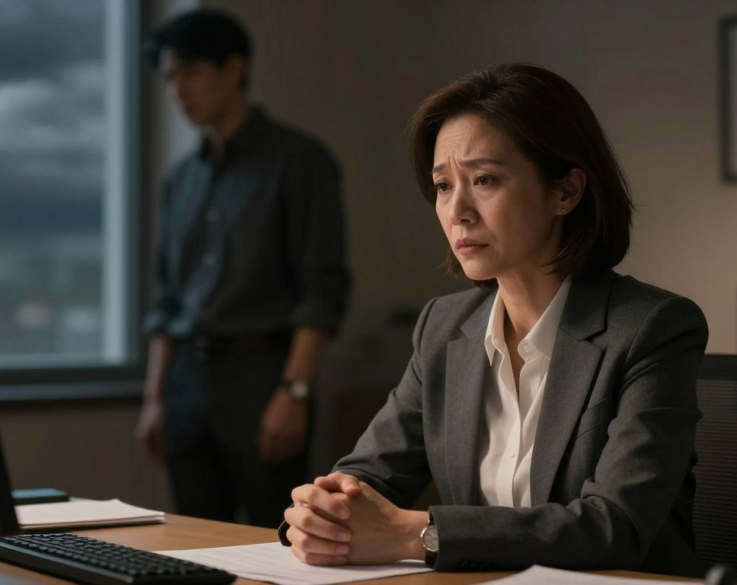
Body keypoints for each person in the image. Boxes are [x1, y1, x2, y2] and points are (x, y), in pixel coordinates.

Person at [280, 64, 709, 577]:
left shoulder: (652, 328)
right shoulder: (443, 326)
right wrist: (322, 512)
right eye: (442, 186)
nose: (457, 210)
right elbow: (368, 476)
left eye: (484, 180)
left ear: (565, 192)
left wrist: (413, 534)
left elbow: (613, 526)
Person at [135, 10, 351, 528]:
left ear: (233, 69)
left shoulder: (299, 161)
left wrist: (294, 391)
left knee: (275, 540)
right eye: (169, 79)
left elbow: (322, 288)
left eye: (189, 73)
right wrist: (155, 399)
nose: (177, 91)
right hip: (187, 380)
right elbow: (167, 299)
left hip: (263, 377)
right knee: (191, 541)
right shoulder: (180, 178)